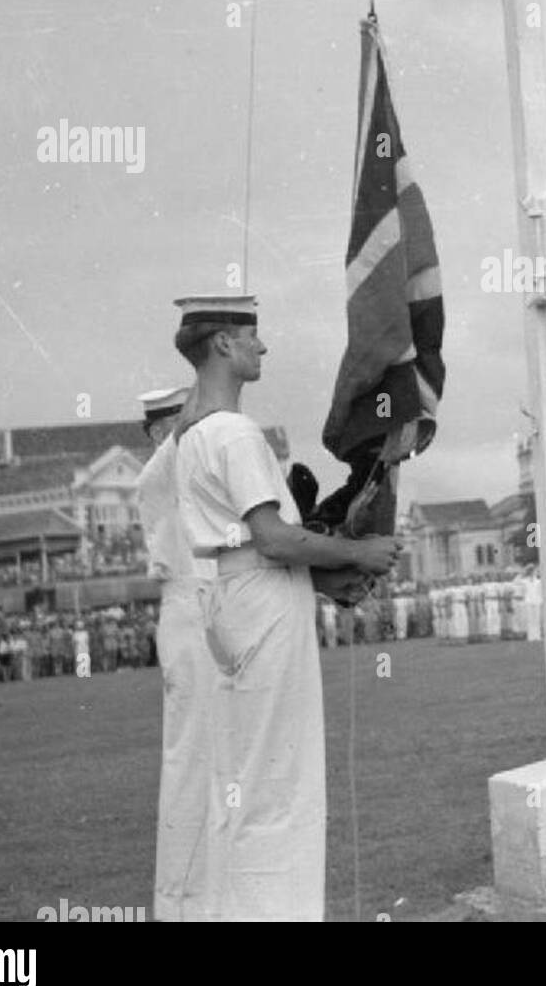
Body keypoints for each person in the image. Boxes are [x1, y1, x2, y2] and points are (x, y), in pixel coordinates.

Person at [169, 293, 399, 921]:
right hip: (259, 602)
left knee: (250, 776)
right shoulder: (236, 433)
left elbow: (249, 545)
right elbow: (272, 538)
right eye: (253, 337)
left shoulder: (192, 436)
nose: (262, 347)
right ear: (223, 344)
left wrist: (323, 580)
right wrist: (358, 554)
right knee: (280, 785)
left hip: (239, 594)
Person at [136, 383, 217, 922]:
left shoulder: (188, 473)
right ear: (160, 430)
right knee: (193, 757)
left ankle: (214, 892)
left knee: (221, 753)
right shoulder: (157, 471)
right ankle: (183, 904)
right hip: (189, 614)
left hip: (208, 605)